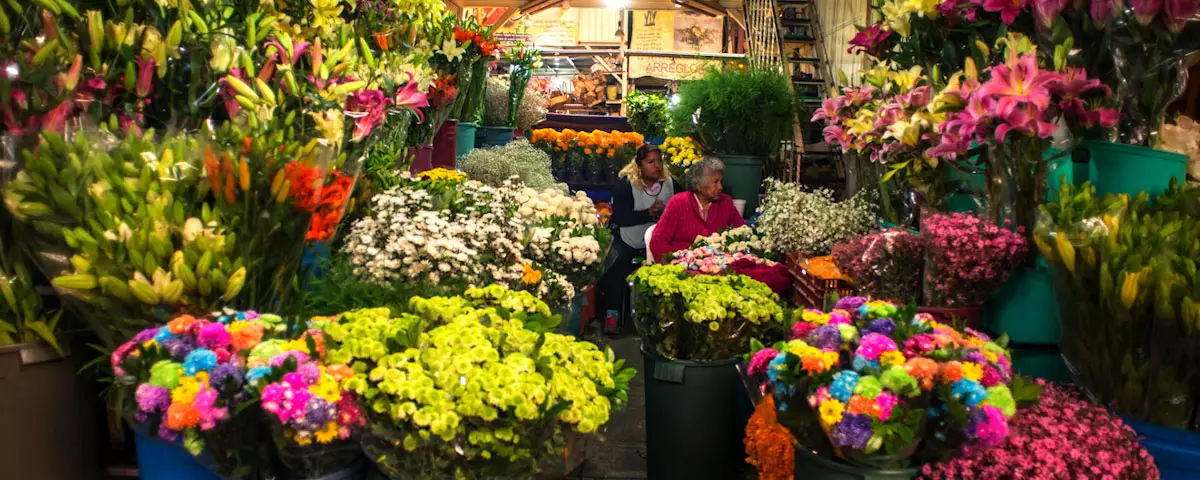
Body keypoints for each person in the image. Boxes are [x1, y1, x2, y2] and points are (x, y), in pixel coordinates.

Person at [598, 144, 683, 335]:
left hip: (659, 240)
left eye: (659, 161)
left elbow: (682, 207)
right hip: (629, 238)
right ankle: (612, 312)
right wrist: (648, 214)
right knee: (616, 261)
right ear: (639, 165)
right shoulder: (626, 184)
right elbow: (620, 217)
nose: (657, 166)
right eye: (650, 162)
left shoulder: (670, 184)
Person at [649, 157, 745, 263]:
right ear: (698, 186)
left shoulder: (725, 202)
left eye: (721, 181)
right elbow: (658, 240)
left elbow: (742, 233)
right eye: (715, 182)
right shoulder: (678, 203)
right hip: (681, 265)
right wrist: (674, 263)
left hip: (718, 265)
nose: (720, 187)